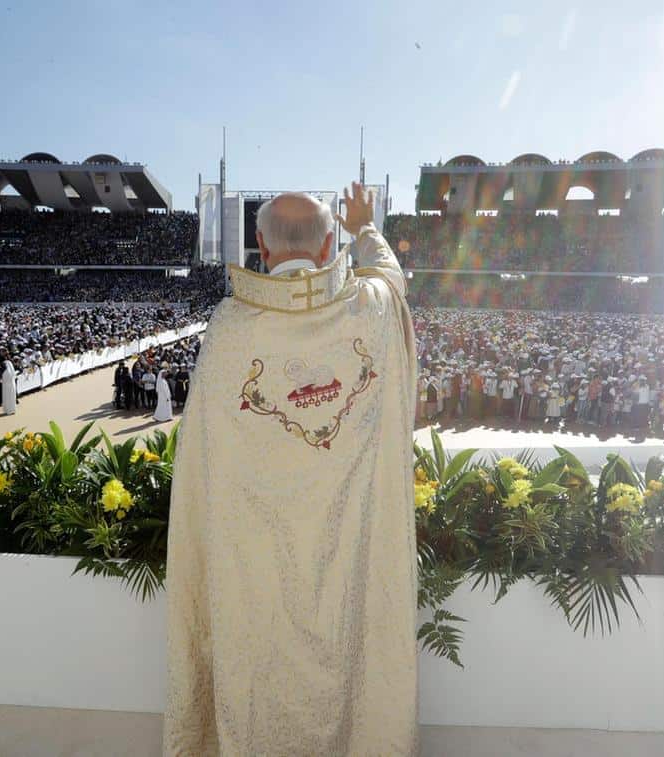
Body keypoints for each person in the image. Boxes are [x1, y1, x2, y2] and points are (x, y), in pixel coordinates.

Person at [164, 184, 419, 754]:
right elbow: (391, 279)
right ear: (330, 243)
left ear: (260, 245)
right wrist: (367, 228)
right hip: (348, 553)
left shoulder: (231, 326)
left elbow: (207, 451)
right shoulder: (370, 309)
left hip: (256, 562)